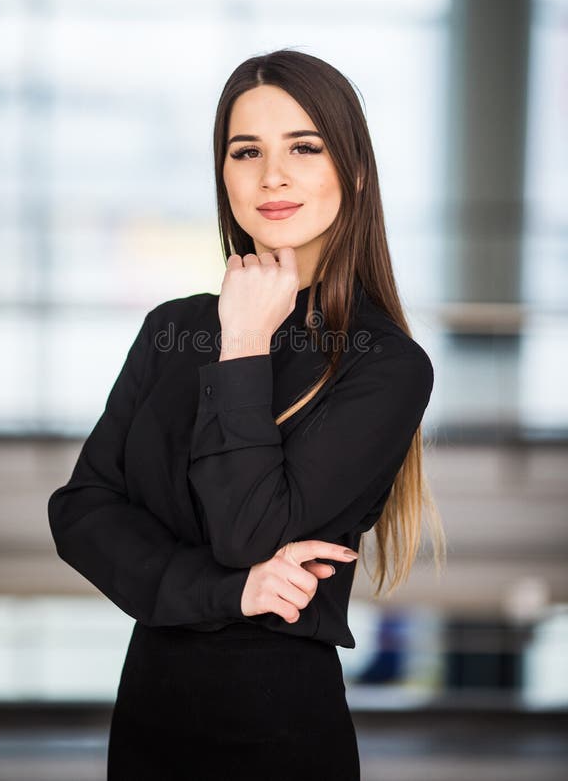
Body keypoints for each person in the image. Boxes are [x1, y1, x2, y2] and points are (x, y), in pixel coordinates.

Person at [47, 48, 446, 780]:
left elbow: (248, 529)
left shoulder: (385, 365)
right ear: (223, 174)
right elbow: (81, 513)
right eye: (246, 151)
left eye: (304, 146)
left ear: (353, 170)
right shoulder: (174, 328)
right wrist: (233, 591)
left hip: (277, 733)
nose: (273, 175)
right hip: (146, 722)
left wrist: (243, 341)